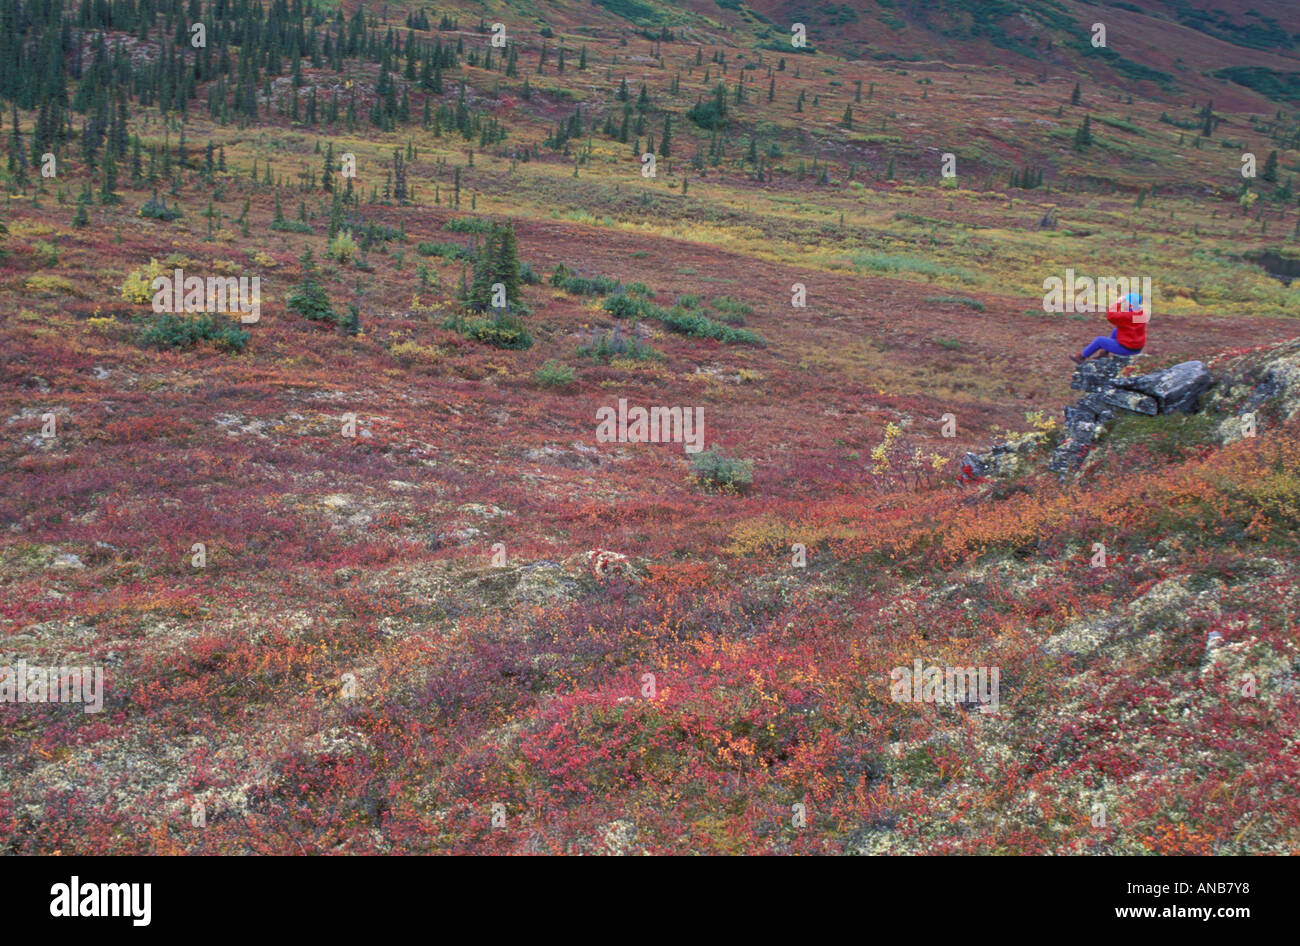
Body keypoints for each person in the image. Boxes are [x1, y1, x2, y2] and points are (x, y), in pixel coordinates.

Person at [1071, 292, 1146, 364]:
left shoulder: (1129, 316)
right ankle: (1104, 353)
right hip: (1136, 346)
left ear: (1130, 304)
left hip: (1128, 349)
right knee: (1116, 330)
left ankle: (1081, 357)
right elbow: (1126, 319)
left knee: (1099, 340)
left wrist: (1118, 302)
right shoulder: (1141, 313)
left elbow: (1111, 316)